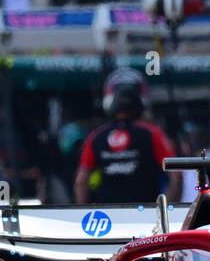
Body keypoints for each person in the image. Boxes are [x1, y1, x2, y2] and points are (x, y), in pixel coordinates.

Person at [74, 69, 177, 205]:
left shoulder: (96, 136)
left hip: (107, 218)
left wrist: (84, 215)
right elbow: (176, 176)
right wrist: (164, 211)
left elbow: (81, 181)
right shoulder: (153, 134)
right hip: (145, 215)